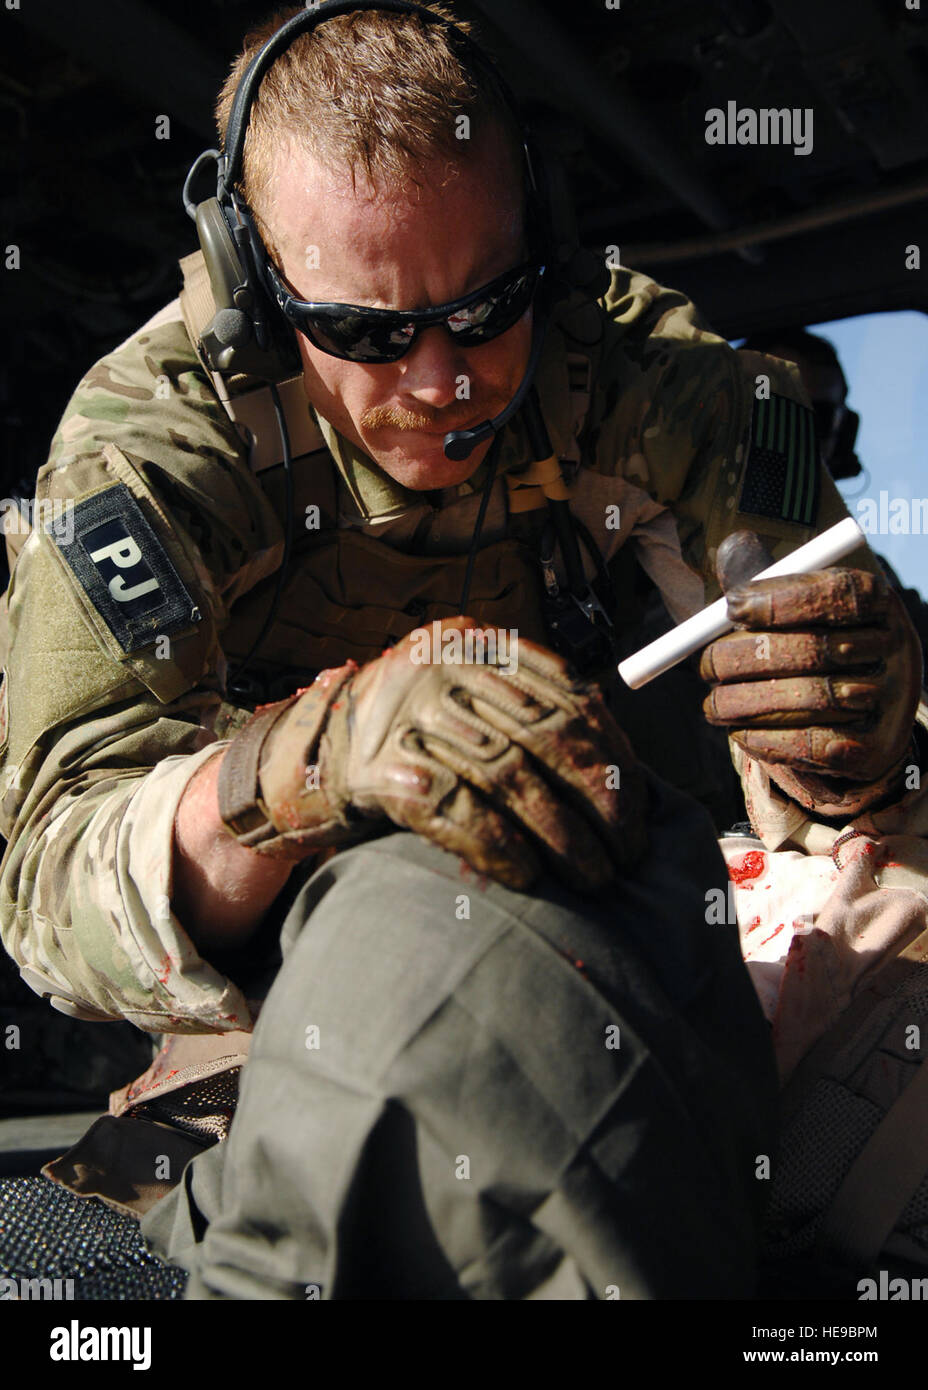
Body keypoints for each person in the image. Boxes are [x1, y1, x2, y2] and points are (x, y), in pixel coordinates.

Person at [0, 2, 923, 1298]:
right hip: (302, 1018)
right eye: (370, 334)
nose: (445, 380)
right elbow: (48, 896)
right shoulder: (151, 454)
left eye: (488, 306)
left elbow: (823, 688)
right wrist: (293, 769)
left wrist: (860, 725)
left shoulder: (649, 376)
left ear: (538, 243)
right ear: (260, 294)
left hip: (661, 930)